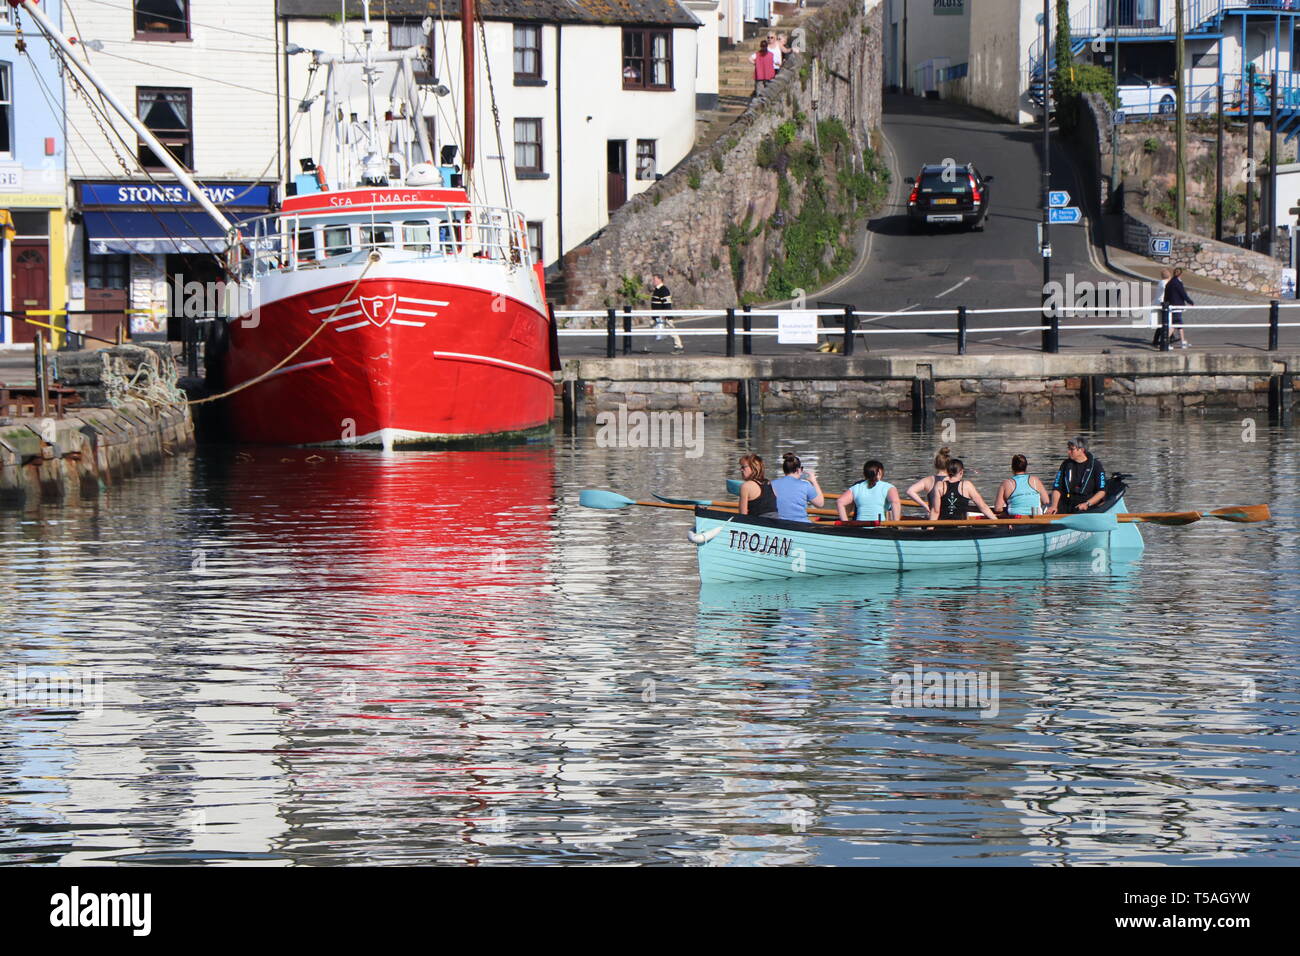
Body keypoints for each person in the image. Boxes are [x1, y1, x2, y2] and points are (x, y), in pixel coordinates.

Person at [1046, 436, 1107, 514]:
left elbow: (1102, 491)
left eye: (1071, 449)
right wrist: (1054, 506)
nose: (1068, 452)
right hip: (1067, 502)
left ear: (1081, 450)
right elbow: (1057, 488)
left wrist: (1087, 503)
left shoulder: (1096, 465)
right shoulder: (1065, 464)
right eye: (1068, 449)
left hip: (1086, 503)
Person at [930, 459, 997, 521]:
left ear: (947, 471)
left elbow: (935, 511)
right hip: (962, 527)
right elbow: (982, 506)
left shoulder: (939, 485)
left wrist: (930, 529)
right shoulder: (967, 485)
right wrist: (996, 521)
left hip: (942, 526)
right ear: (961, 472)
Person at [771, 452, 825, 523]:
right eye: (802, 469)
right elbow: (820, 503)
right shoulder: (805, 485)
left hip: (779, 524)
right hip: (801, 525)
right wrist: (814, 481)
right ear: (799, 470)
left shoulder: (772, 484)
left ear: (784, 470)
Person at [1155, 266, 1193, 349]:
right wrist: (1190, 302)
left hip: (1171, 305)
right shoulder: (1177, 283)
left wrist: (1166, 303)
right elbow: (1183, 294)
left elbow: (1166, 295)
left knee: (1179, 324)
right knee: (1174, 324)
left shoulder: (1170, 282)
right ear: (1180, 274)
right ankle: (1164, 342)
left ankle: (1183, 341)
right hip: (1177, 306)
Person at [647, 272, 683, 353]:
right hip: (657, 316)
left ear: (660, 279)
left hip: (663, 316)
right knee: (652, 332)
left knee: (671, 331)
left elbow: (667, 303)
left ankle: (679, 347)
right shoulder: (657, 290)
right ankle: (647, 348)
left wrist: (665, 314)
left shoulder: (664, 290)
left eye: (654, 279)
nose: (653, 281)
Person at [737, 453, 779, 518]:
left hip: (760, 523)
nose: (741, 470)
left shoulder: (746, 486)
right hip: (776, 522)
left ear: (753, 467)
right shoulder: (770, 483)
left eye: (743, 467)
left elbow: (742, 515)